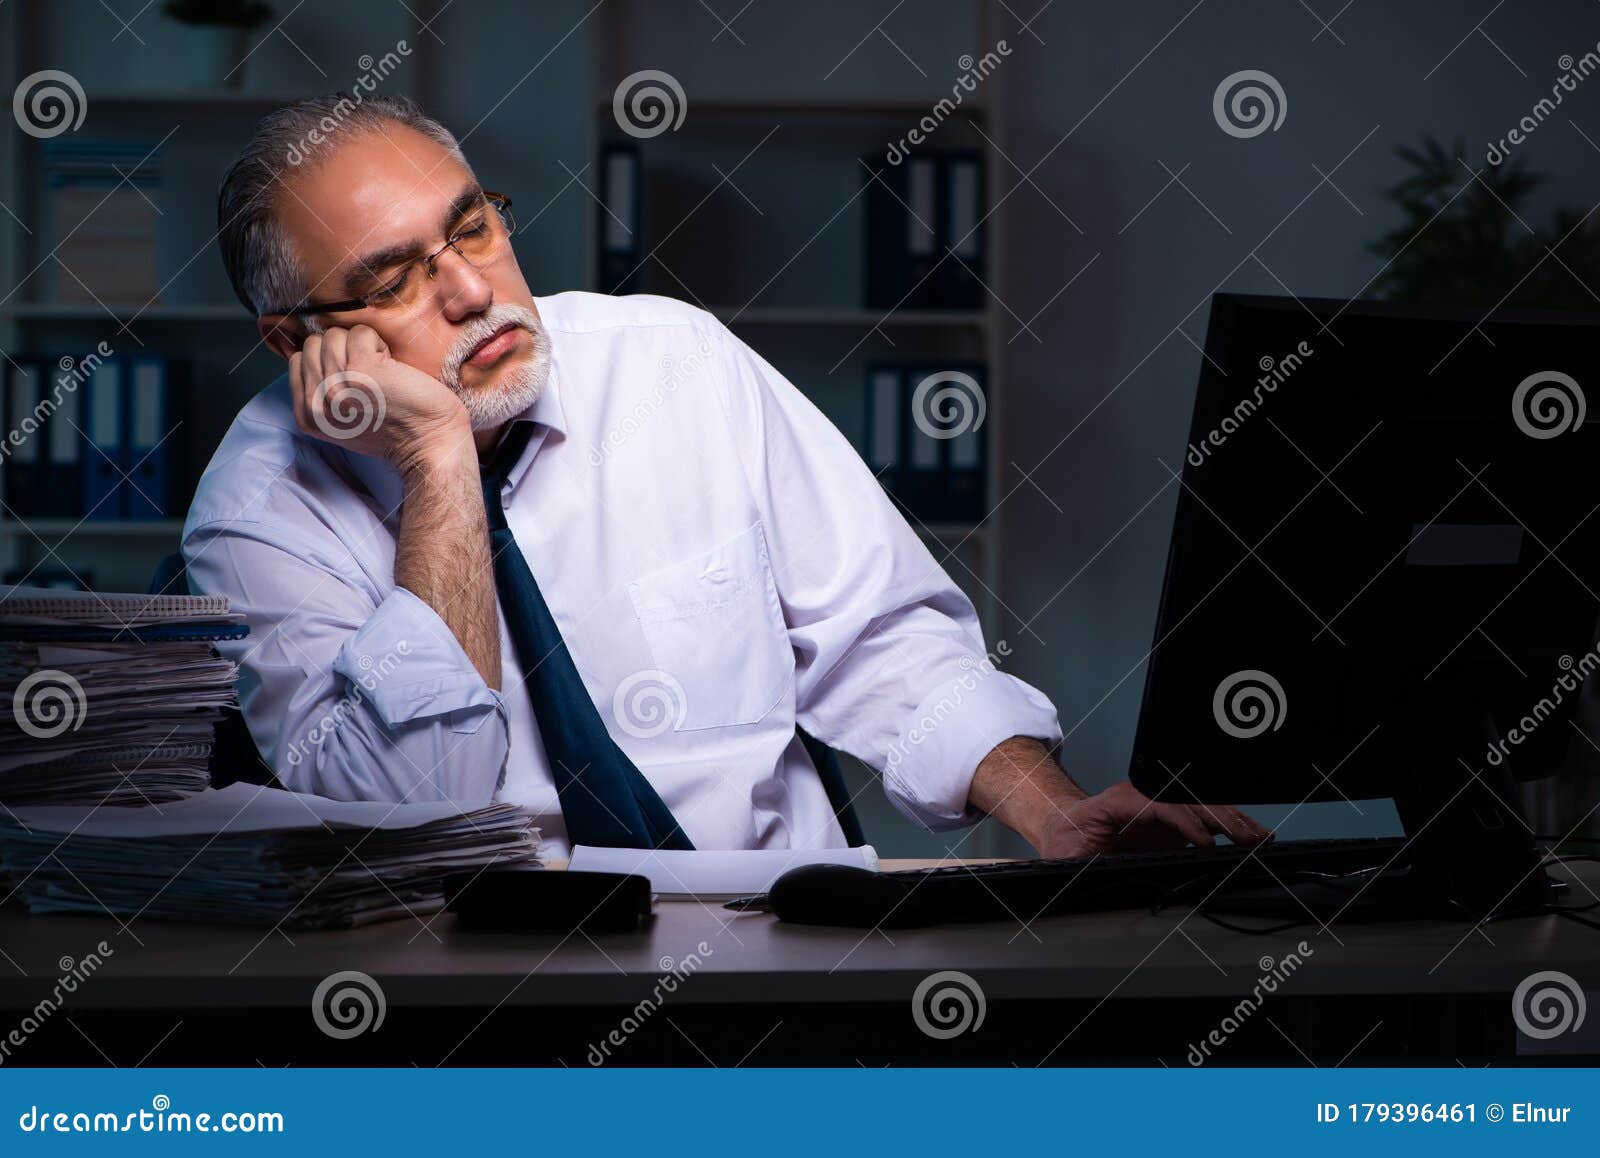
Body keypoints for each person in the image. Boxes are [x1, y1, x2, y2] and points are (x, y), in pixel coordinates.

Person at [188, 93, 1271, 858]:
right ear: (295, 340)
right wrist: (437, 468)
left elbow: (881, 638)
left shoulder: (671, 361)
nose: (473, 292)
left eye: (473, 227)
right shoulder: (258, 514)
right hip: (495, 993)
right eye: (393, 282)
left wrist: (1050, 809)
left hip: (785, 940)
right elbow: (412, 811)